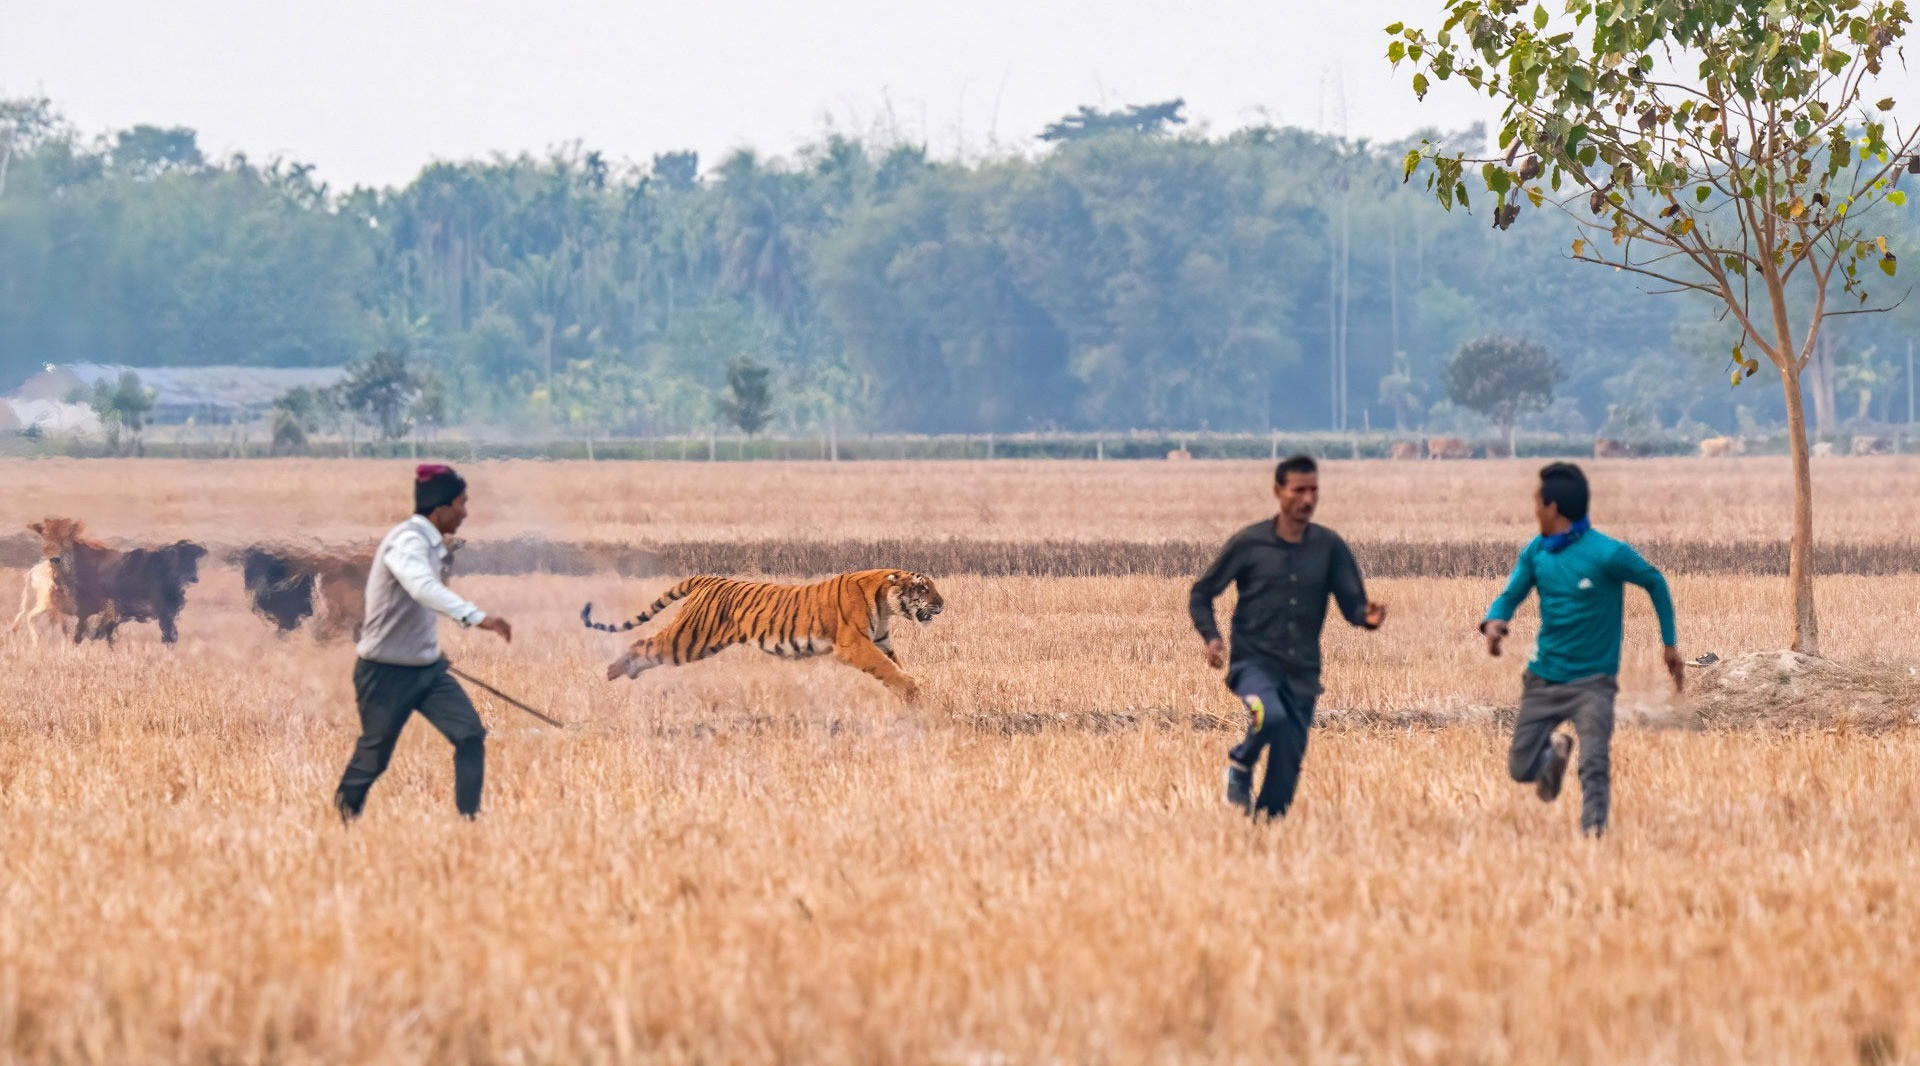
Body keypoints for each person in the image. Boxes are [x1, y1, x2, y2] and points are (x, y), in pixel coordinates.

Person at [1481, 462, 1683, 837]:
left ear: (1552, 508)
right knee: (1520, 768)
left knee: (1594, 763)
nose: (1534, 510)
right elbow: (1511, 594)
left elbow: (1654, 581)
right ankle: (1552, 754)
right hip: (1543, 678)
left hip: (1594, 683)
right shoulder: (1536, 553)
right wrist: (1495, 621)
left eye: (1537, 502)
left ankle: (1593, 836)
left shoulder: (1607, 554)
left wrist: (1669, 644)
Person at [1190, 455, 1386, 817]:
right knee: (1269, 716)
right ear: (1278, 491)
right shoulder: (1249, 543)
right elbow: (1202, 593)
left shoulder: (1329, 547)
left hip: (1303, 673)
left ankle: (1263, 842)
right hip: (1254, 666)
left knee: (1284, 779)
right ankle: (1241, 763)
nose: (1307, 499)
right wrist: (1212, 638)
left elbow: (1353, 605)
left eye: (1314, 490)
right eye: (1299, 490)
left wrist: (1367, 617)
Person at [334, 464, 512, 822]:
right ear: (440, 508)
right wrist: (478, 618)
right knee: (374, 758)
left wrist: (429, 652)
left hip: (428, 672)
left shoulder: (431, 544)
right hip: (384, 674)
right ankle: (342, 820)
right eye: (461, 504)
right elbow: (422, 589)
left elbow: (415, 608)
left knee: (469, 735)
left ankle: (469, 822)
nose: (465, 512)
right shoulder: (407, 542)